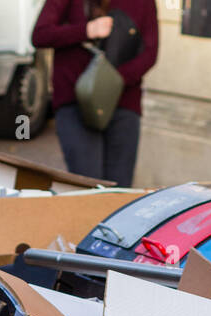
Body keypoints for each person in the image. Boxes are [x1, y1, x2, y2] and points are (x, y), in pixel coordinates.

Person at [33, 0, 158, 186]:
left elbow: (150, 52)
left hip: (123, 104)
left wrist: (112, 81)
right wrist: (87, 30)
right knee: (88, 188)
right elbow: (40, 35)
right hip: (75, 102)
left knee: (119, 192)